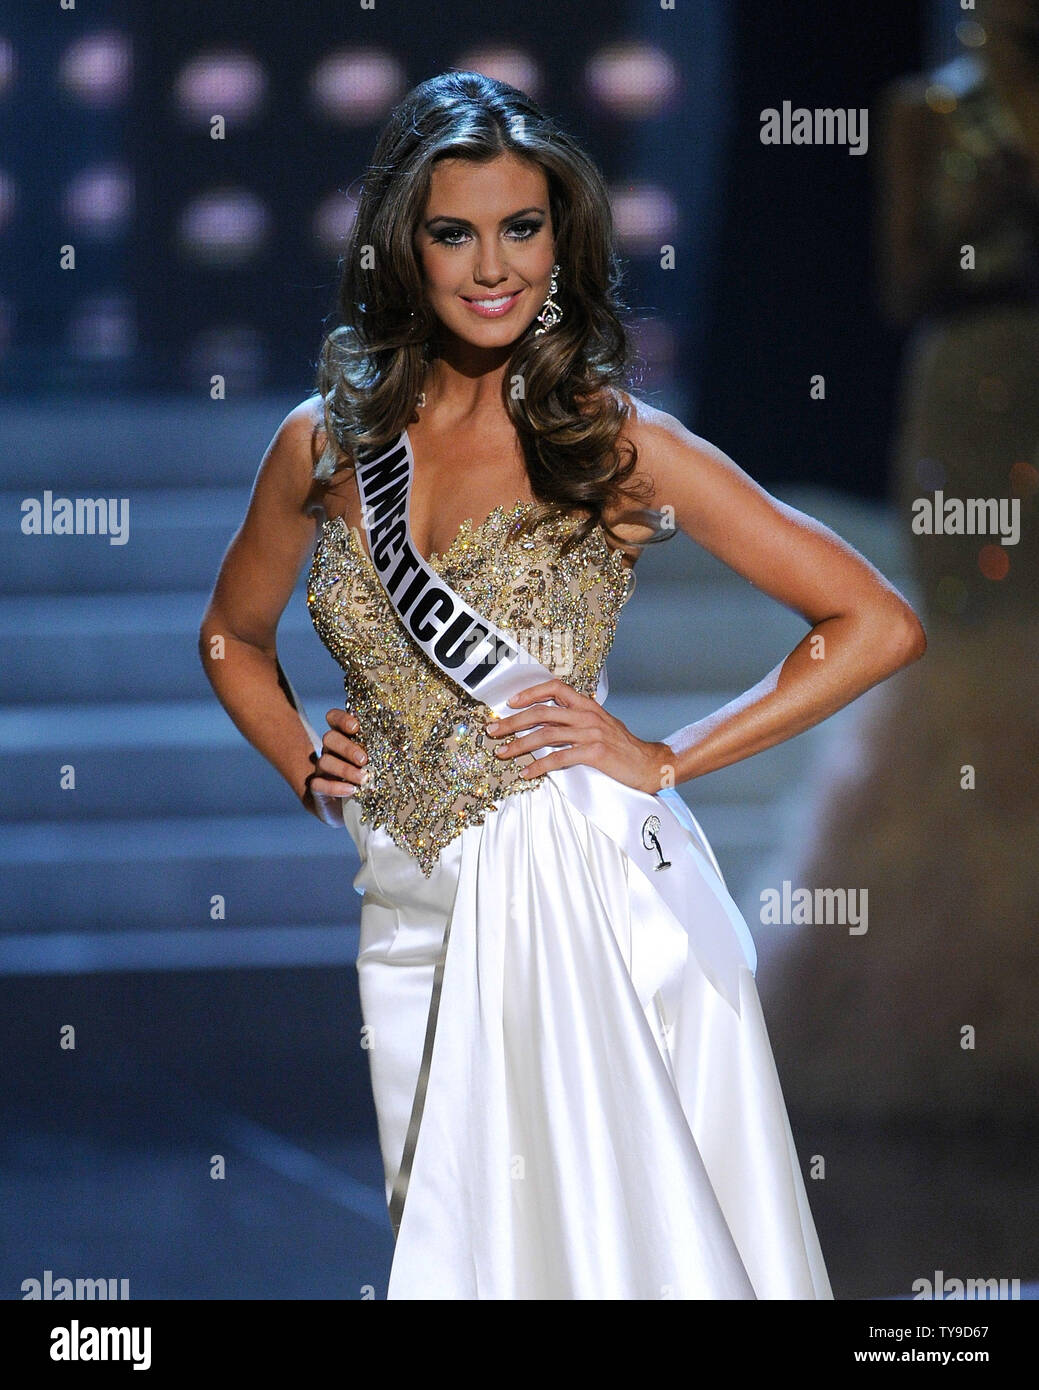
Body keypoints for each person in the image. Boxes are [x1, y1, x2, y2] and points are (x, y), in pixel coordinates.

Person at [199, 71, 925, 1301]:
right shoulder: (322, 446)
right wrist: (302, 766)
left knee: (581, 1260)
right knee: (453, 1239)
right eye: (455, 232)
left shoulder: (606, 435)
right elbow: (231, 635)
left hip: (570, 884)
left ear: (561, 238)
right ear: (401, 246)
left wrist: (664, 756)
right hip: (401, 895)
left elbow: (873, 619)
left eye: (521, 228)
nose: (494, 266)